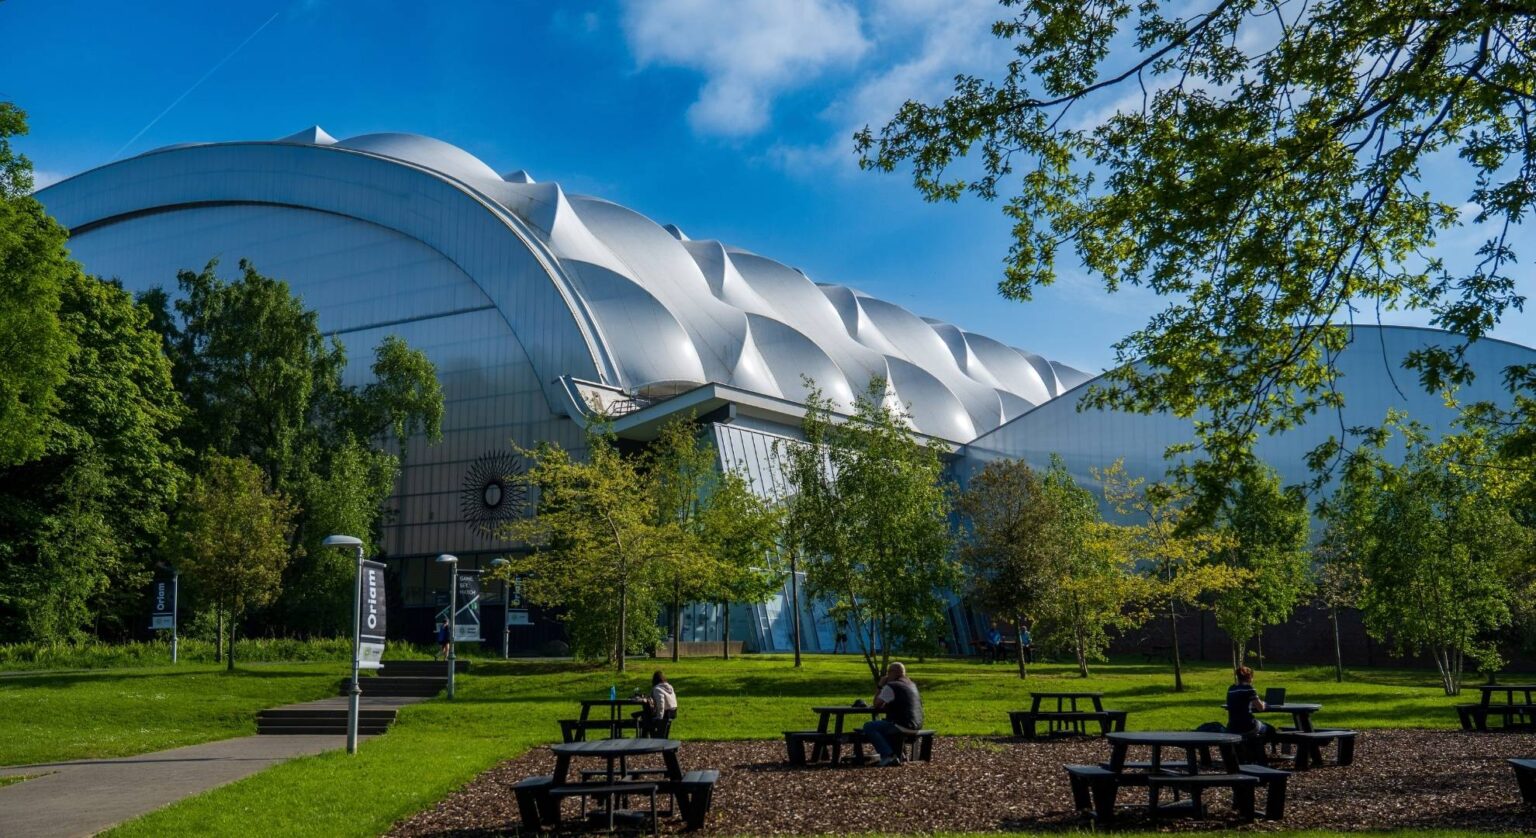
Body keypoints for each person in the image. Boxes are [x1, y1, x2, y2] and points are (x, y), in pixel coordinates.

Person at [861, 662, 924, 766]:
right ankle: (898, 754)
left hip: (902, 725)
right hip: (916, 724)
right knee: (884, 725)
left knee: (869, 726)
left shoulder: (892, 686)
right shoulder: (912, 685)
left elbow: (876, 704)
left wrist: (880, 686)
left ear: (892, 672)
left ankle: (888, 755)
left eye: (888, 672)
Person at [1226, 665, 1270, 742]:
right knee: (1269, 729)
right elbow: (1260, 708)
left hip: (1232, 727)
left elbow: (1239, 702)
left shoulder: (1231, 689)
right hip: (1248, 726)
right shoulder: (1249, 688)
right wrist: (1264, 703)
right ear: (1249, 677)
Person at [634, 670, 678, 737]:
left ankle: (645, 737)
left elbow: (661, 704)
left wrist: (659, 718)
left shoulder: (657, 689)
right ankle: (646, 735)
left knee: (646, 716)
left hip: (665, 713)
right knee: (646, 715)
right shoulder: (670, 687)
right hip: (673, 712)